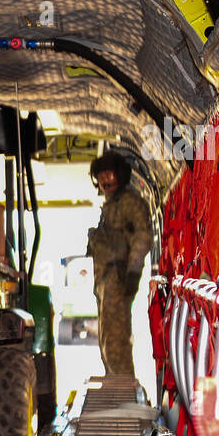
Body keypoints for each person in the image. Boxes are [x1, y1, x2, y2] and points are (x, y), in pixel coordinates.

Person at [86, 151, 152, 377]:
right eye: (101, 176)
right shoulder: (111, 206)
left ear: (120, 176)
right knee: (106, 339)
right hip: (105, 281)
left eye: (110, 175)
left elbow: (142, 237)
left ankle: (123, 387)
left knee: (115, 342)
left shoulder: (130, 203)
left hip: (117, 278)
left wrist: (133, 273)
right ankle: (115, 383)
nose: (105, 180)